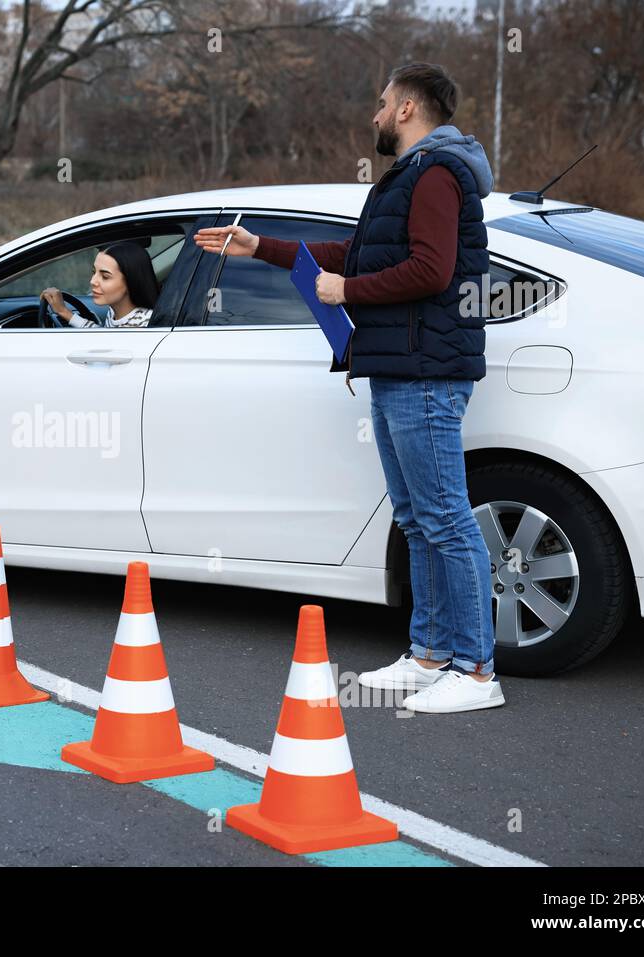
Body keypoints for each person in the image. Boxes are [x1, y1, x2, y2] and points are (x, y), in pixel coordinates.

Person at [194, 62, 503, 714]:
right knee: (419, 520)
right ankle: (428, 656)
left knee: (447, 521)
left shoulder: (438, 176)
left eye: (383, 102)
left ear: (409, 109)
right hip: (396, 368)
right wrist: (263, 248)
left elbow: (431, 269)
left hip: (425, 372)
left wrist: (348, 293)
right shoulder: (409, 178)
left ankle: (476, 672)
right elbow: (357, 253)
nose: (375, 114)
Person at [40, 241, 159, 328]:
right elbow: (104, 337)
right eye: (94, 272)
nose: (93, 281)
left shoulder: (145, 324)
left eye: (105, 277)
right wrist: (64, 312)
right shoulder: (114, 311)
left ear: (131, 281)